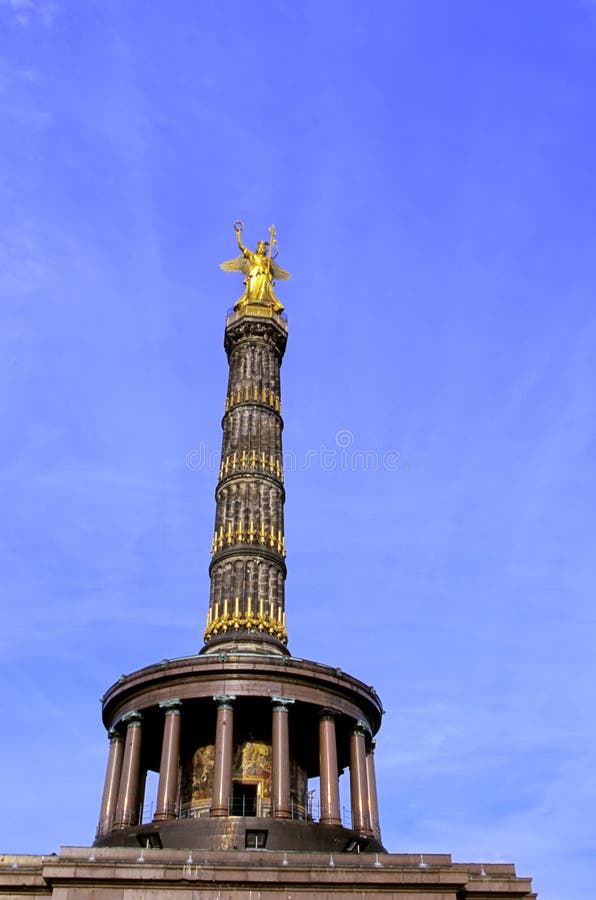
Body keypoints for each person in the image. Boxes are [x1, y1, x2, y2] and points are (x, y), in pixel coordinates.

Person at [220, 222, 290, 311]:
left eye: (263, 248)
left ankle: (262, 303)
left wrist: (274, 250)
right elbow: (241, 246)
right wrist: (238, 234)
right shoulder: (252, 256)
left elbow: (274, 263)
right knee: (251, 290)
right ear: (257, 249)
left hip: (264, 276)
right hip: (253, 275)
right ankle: (251, 302)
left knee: (263, 291)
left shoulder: (267, 260)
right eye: (260, 248)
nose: (261, 249)